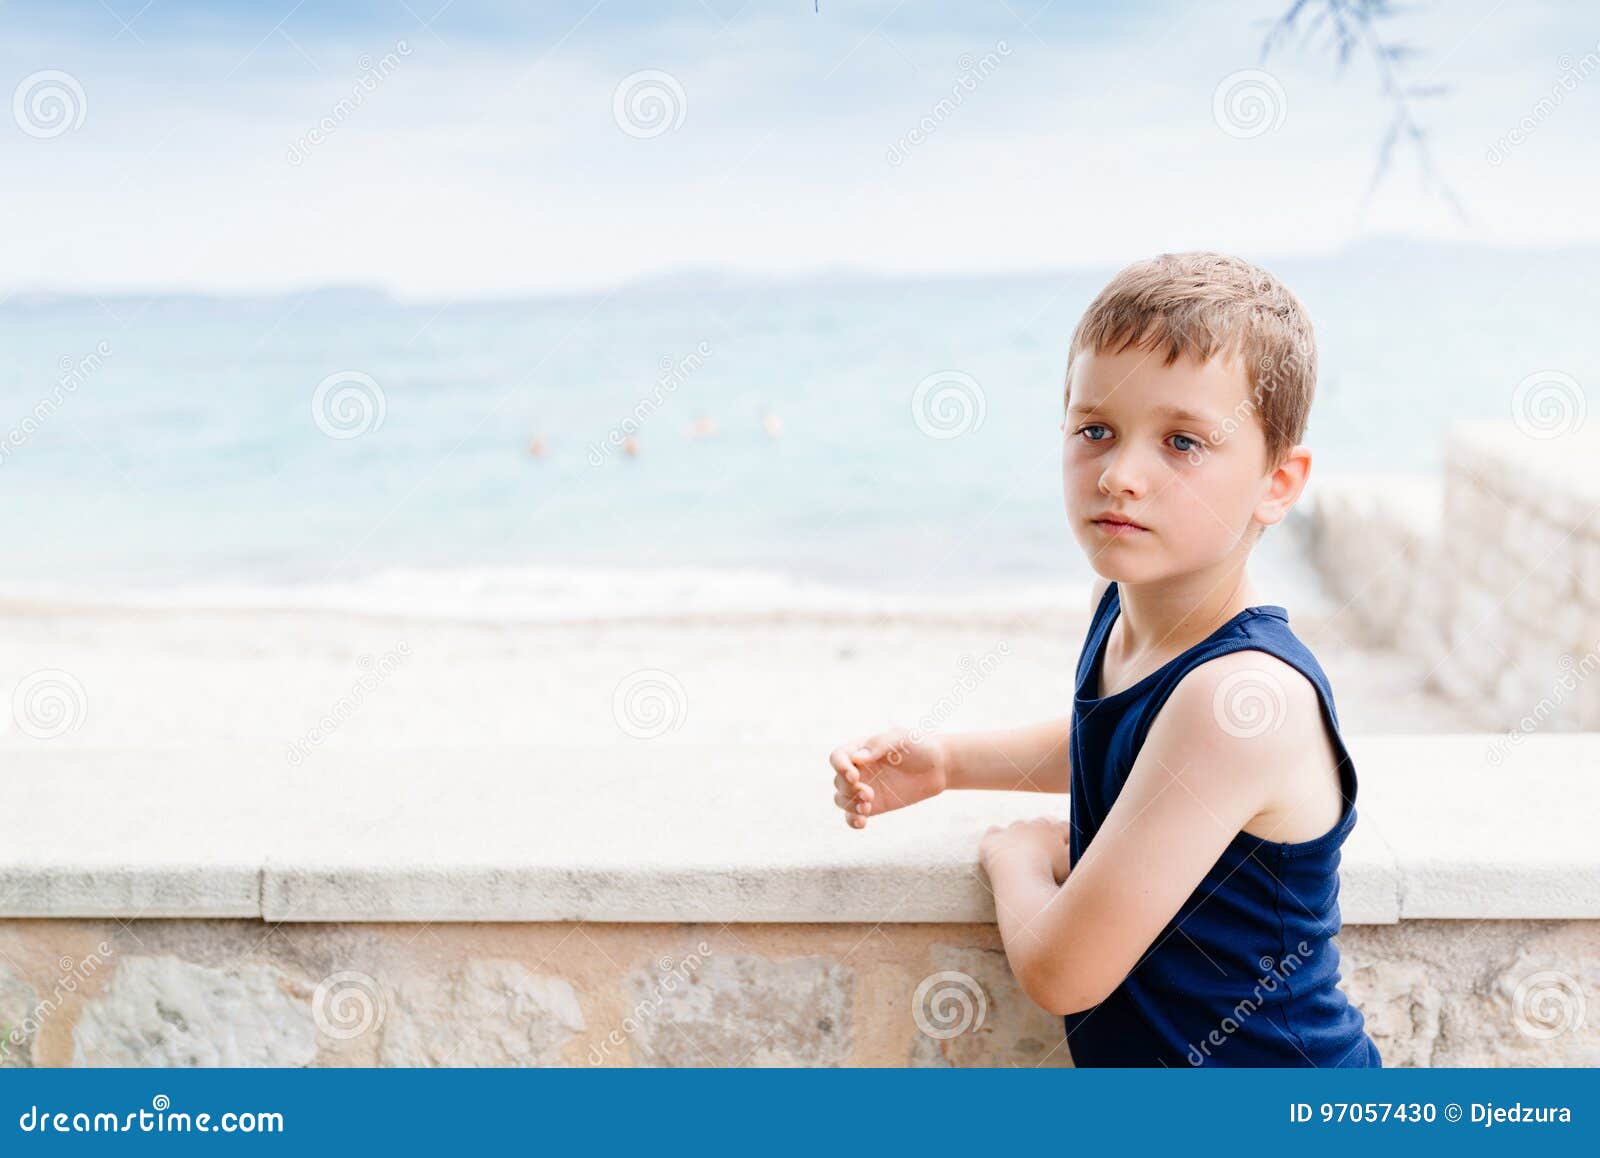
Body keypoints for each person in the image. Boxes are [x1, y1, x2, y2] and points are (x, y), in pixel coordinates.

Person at [826, 252, 1381, 1068]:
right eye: (1096, 431)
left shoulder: (1241, 698)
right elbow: (1124, 744)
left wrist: (1017, 859)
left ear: (1278, 480)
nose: (1121, 476)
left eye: (1183, 442)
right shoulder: (1121, 605)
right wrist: (948, 762)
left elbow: (1061, 972)